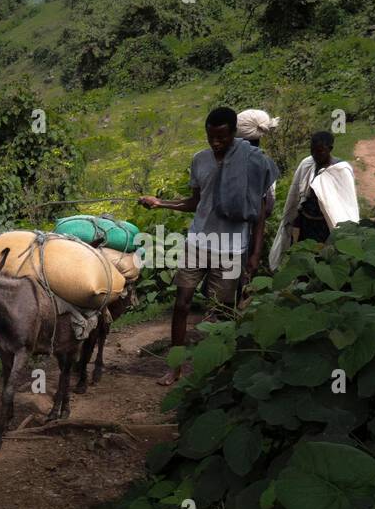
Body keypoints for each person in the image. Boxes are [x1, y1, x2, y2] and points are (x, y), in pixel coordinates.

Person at [139, 106, 278, 386]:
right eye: (210, 136)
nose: (216, 143)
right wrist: (160, 202)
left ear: (234, 134)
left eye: (222, 137)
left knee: (220, 312)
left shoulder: (252, 161)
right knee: (182, 304)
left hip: (231, 246)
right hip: (198, 241)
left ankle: (215, 374)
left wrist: (255, 252)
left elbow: (260, 212)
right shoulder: (200, 160)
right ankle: (175, 367)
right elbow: (195, 202)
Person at [268, 131, 361, 270]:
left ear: (330, 149)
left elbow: (347, 204)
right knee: (304, 260)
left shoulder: (341, 171)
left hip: (326, 227)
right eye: (312, 151)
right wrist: (294, 220)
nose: (316, 155)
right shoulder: (307, 164)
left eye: (320, 151)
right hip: (306, 224)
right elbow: (298, 195)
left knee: (324, 260)